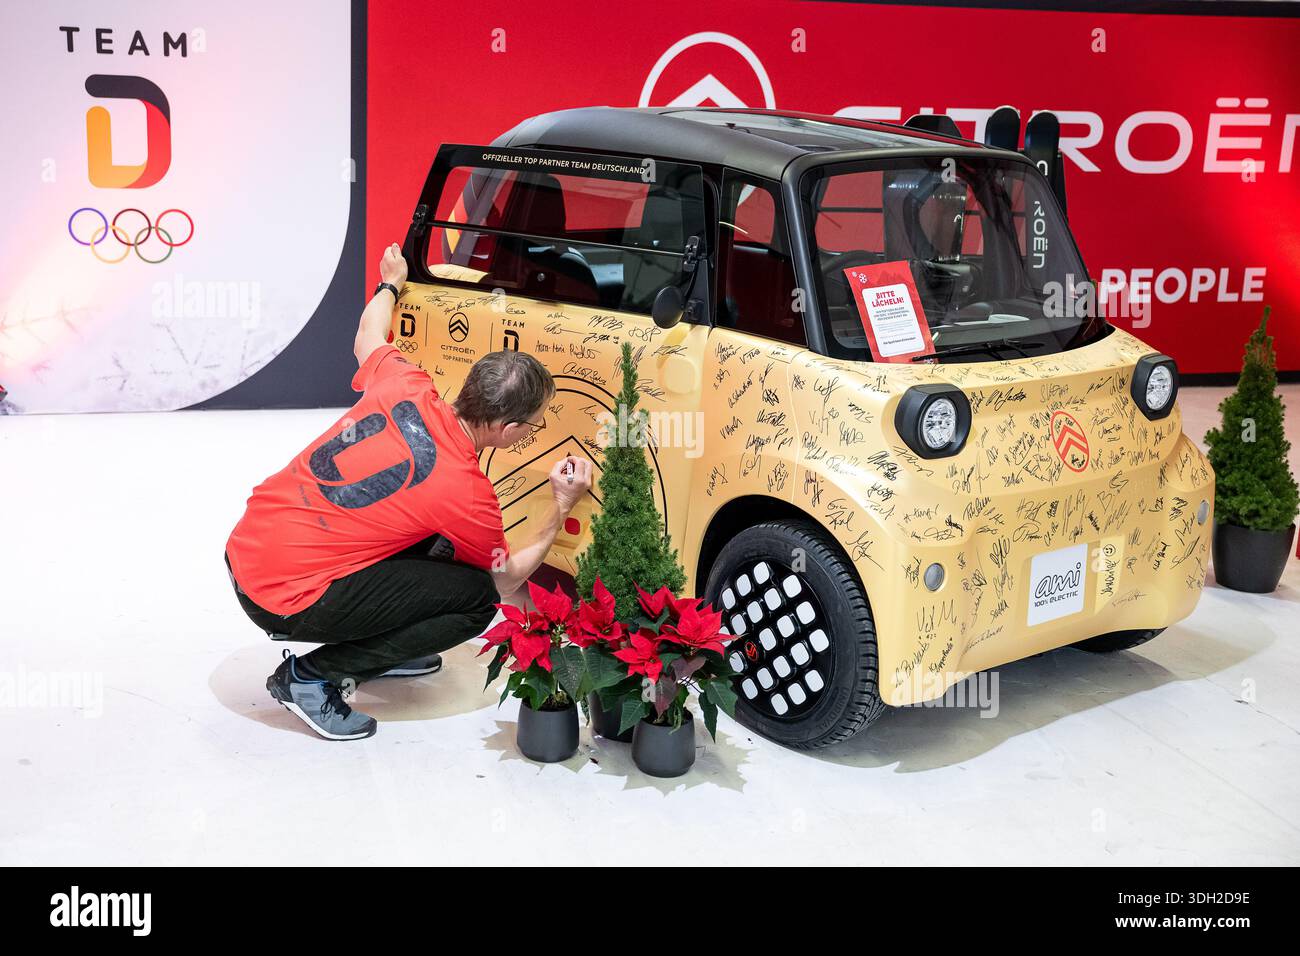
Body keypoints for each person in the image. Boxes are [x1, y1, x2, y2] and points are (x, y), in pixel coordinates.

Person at [224, 243, 593, 740]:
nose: (534, 430)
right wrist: (561, 505)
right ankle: (311, 679)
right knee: (475, 598)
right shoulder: (466, 493)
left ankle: (387, 644)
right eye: (532, 422)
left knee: (437, 546)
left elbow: (367, 333)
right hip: (279, 595)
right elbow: (507, 581)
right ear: (507, 429)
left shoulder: (406, 381)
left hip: (249, 543)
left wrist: (391, 282)